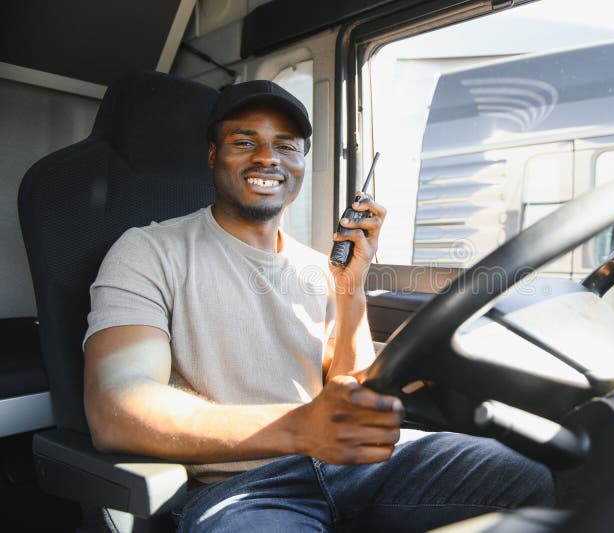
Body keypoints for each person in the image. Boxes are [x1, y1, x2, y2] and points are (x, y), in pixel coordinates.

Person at [82, 79, 554, 532]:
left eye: (286, 146)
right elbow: (117, 406)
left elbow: (351, 388)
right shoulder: (149, 250)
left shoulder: (320, 268)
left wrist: (351, 290)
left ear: (302, 164)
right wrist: (298, 429)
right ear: (212, 154)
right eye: (245, 142)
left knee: (532, 475)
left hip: (348, 468)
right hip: (240, 486)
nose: (268, 157)